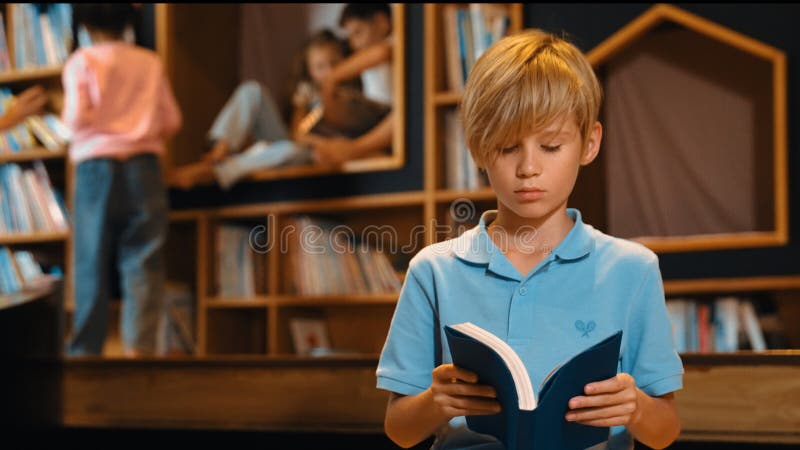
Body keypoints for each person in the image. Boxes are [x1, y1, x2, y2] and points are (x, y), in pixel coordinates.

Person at [376, 29, 683, 450]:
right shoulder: (433, 271)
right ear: (477, 149)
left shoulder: (633, 269)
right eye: (507, 148)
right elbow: (399, 428)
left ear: (589, 143)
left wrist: (637, 408)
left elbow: (665, 431)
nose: (528, 168)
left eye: (551, 146)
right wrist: (435, 402)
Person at [63, 4, 182, 357]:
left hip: (95, 168)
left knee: (90, 260)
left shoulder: (82, 61)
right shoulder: (150, 62)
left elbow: (74, 120)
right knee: (143, 259)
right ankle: (140, 354)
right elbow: (172, 120)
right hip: (144, 168)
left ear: (85, 24)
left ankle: (85, 354)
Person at [169, 28, 370, 190]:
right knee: (253, 91)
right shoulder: (307, 94)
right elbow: (297, 134)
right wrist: (325, 143)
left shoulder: (355, 94)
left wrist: (336, 147)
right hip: (304, 144)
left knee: (290, 151)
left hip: (310, 156)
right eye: (320, 66)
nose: (329, 71)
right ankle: (218, 151)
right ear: (310, 71)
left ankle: (216, 171)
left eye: (334, 63)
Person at [308, 3, 395, 165]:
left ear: (382, 22)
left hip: (388, 113)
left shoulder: (393, 43)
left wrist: (332, 77)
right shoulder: (365, 58)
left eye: (358, 32)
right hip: (374, 119)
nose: (354, 44)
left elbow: (381, 53)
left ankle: (353, 149)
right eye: (350, 37)